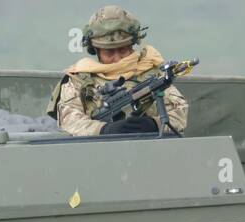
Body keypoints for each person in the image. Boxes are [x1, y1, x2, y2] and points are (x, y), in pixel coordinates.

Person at [47, 6, 188, 137]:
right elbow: (69, 119)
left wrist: (153, 124)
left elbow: (180, 113)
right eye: (109, 52)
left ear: (132, 46)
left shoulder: (151, 73)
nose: (118, 58)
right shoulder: (80, 79)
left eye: (123, 50)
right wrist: (103, 130)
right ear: (96, 50)